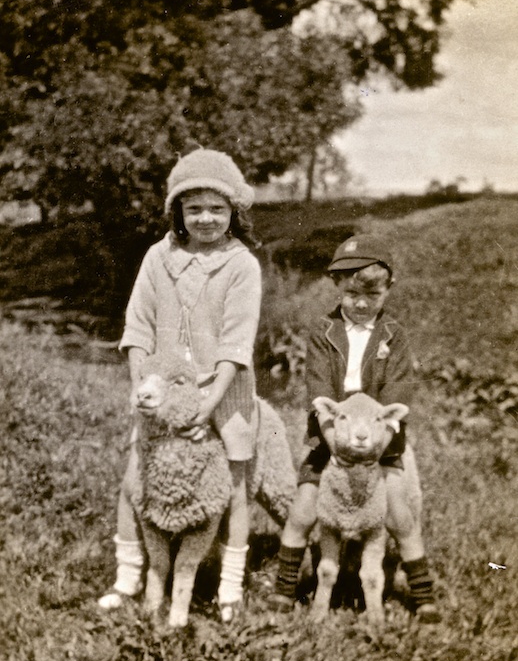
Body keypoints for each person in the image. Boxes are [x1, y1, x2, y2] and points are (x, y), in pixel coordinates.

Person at [98, 148, 262, 623]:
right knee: (135, 482)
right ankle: (129, 576)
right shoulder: (158, 257)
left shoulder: (242, 265)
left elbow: (236, 343)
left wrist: (208, 405)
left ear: (233, 211)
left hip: (225, 392)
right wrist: (143, 389)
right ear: (178, 212)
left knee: (233, 488)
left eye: (216, 208)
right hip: (162, 393)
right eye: (194, 209)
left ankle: (229, 585)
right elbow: (138, 329)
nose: (205, 219)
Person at [270, 234, 440, 622]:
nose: (361, 304)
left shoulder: (394, 336)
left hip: (380, 440)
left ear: (388, 289)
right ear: (337, 286)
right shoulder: (323, 332)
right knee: (304, 510)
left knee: (398, 512)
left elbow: (397, 393)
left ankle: (424, 594)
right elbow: (318, 390)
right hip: (331, 435)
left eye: (372, 295)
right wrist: (336, 444)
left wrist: (376, 445)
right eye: (351, 294)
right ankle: (284, 589)